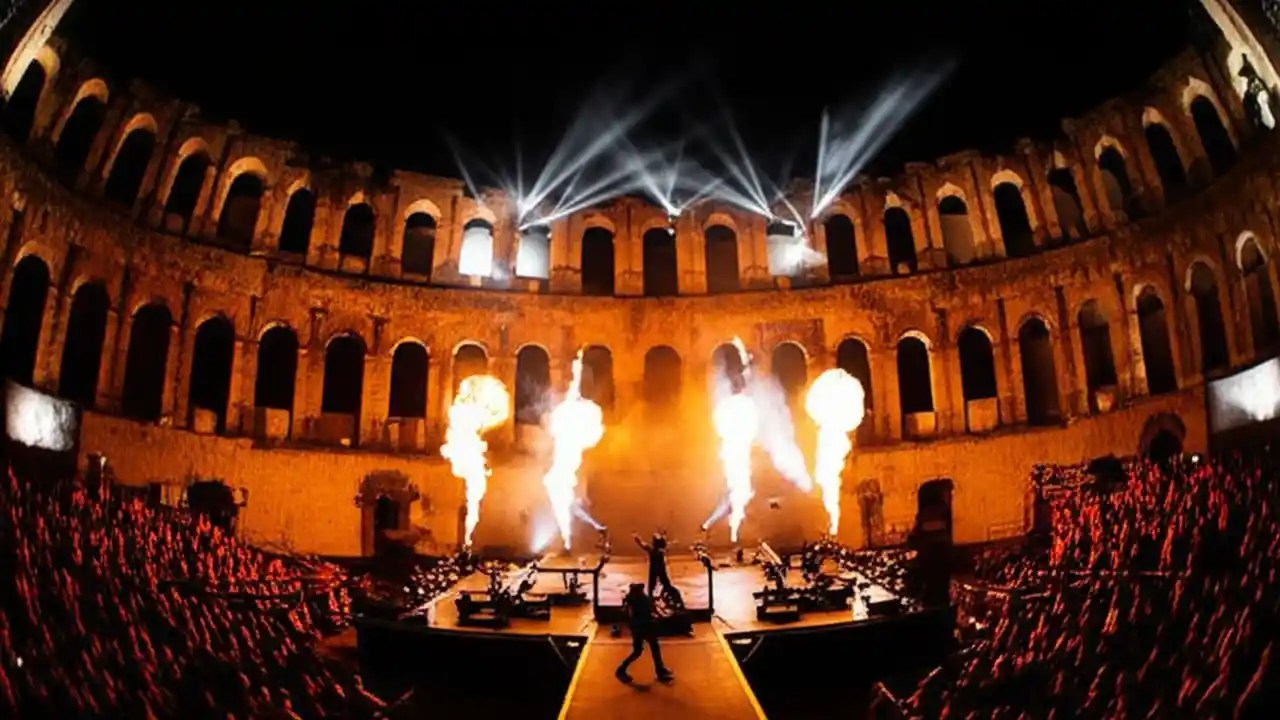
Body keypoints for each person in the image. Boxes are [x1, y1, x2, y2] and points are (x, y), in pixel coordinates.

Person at [616, 583, 673, 683]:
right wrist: (662, 616)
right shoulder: (641, 599)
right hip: (643, 627)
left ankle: (660, 670)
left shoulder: (632, 600)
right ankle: (621, 669)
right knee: (646, 649)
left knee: (644, 649)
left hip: (640, 627)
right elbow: (651, 610)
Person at [633, 531, 672, 597]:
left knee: (652, 586)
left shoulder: (652, 549)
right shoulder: (661, 550)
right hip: (661, 569)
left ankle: (651, 598)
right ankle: (667, 595)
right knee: (666, 584)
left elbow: (642, 545)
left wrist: (636, 538)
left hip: (654, 569)